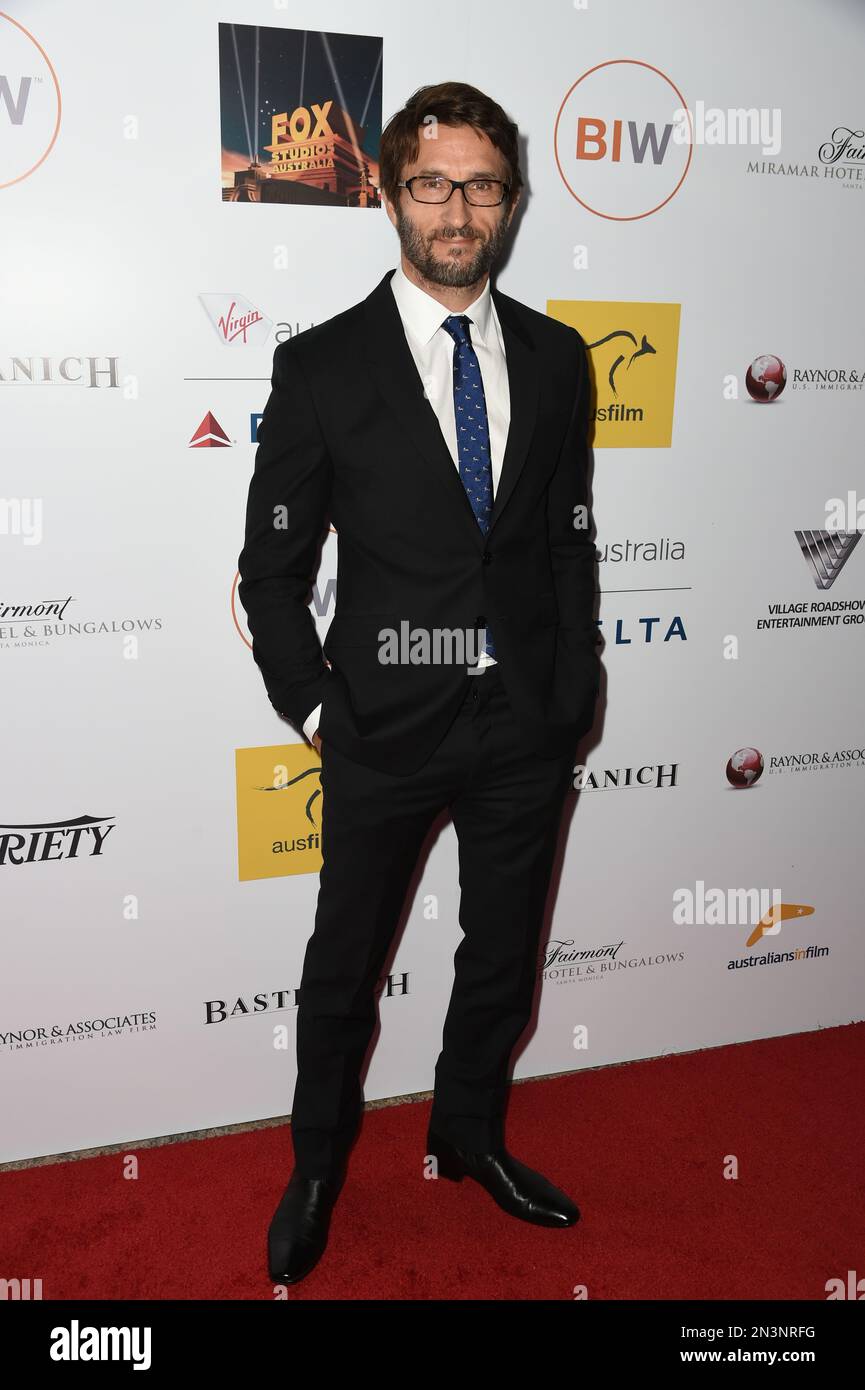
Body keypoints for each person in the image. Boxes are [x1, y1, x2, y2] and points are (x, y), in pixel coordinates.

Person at [237, 80, 600, 1286]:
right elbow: (272, 572)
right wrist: (318, 706)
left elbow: (562, 538)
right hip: (383, 722)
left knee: (501, 951)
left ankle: (469, 1133)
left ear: (511, 199)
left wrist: (575, 681)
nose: (457, 208)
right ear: (388, 193)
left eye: (481, 184)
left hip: (524, 725)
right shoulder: (323, 365)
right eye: (432, 182)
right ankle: (320, 1161)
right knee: (345, 960)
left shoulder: (558, 357)